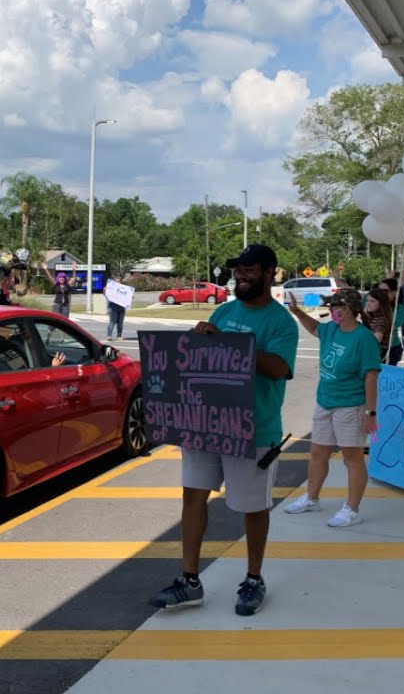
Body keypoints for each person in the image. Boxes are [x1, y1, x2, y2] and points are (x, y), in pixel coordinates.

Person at [149, 244, 298, 617]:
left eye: (250, 269)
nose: (241, 275)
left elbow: (279, 368)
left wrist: (228, 344)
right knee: (192, 496)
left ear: (270, 273)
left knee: (253, 507)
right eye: (238, 270)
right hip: (206, 422)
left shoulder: (280, 322)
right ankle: (189, 580)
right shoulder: (224, 310)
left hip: (255, 428)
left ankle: (253, 579)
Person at [282, 289, 380, 527]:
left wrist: (370, 413)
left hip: (350, 405)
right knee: (318, 453)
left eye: (336, 307)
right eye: (332, 307)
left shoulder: (363, 338)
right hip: (325, 401)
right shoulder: (330, 329)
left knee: (352, 458)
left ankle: (352, 509)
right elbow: (314, 327)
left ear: (349, 310)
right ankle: (311, 498)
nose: (332, 311)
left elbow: (370, 377)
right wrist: (297, 311)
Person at [361, 288, 393, 362]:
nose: (368, 303)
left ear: (381, 304)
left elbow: (375, 342)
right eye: (367, 301)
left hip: (377, 354)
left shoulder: (380, 321)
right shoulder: (373, 318)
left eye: (372, 301)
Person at [378, 277, 404, 365]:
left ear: (394, 292)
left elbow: (396, 323)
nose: (381, 293)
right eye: (379, 290)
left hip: (391, 348)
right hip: (374, 347)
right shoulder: (373, 304)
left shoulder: (399, 308)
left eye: (385, 291)